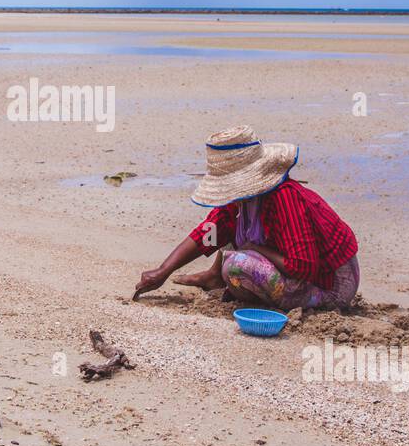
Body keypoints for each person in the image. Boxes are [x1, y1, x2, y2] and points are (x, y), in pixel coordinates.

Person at [134, 124, 359, 311]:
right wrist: (163, 271)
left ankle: (240, 285)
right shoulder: (241, 202)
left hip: (329, 284)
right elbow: (209, 233)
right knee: (229, 230)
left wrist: (257, 249)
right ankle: (214, 276)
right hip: (298, 269)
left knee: (235, 265)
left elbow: (304, 267)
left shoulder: (284, 199)